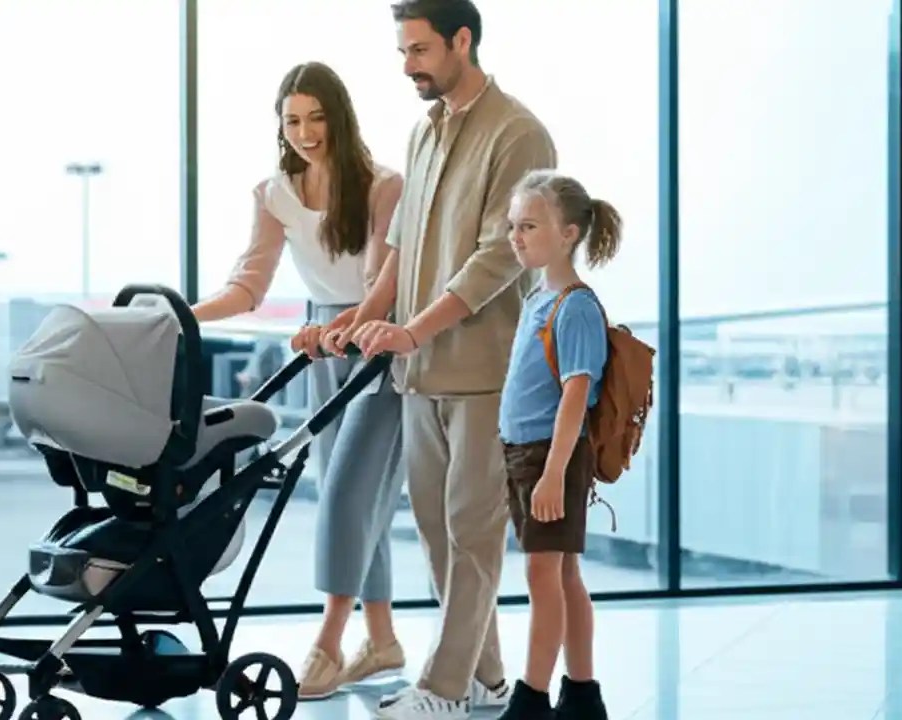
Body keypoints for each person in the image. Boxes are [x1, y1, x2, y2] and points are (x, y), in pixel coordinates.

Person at [324, 1, 557, 718]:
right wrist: (364, 317)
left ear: (464, 40)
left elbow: (497, 259)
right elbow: (400, 247)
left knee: (474, 529)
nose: (408, 66)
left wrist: (414, 328)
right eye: (402, 51)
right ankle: (485, 678)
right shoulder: (424, 134)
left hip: (488, 374)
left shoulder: (518, 135)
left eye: (420, 50)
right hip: (420, 372)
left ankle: (444, 687)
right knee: (434, 526)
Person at [190, 61, 409, 701]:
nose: (306, 132)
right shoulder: (273, 192)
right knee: (351, 496)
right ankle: (383, 638)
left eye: (317, 118)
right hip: (322, 345)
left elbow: (377, 281)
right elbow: (247, 285)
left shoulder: (382, 186)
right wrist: (181, 314)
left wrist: (345, 324)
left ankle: (328, 644)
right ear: (279, 126)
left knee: (346, 494)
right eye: (293, 120)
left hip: (377, 341)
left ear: (338, 117)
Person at [494, 170, 617, 720]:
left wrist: (551, 475)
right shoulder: (538, 298)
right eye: (513, 226)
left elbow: (576, 393)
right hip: (527, 455)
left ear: (568, 233)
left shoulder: (576, 306)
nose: (517, 236)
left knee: (543, 575)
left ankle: (533, 699)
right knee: (562, 575)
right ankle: (583, 696)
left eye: (530, 225)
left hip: (550, 457)